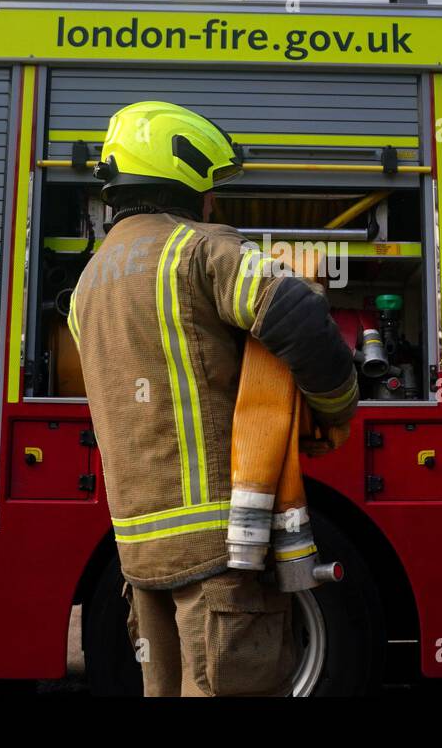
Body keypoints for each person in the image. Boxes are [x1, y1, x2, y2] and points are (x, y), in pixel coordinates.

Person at [68, 101, 358, 696]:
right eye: (209, 191)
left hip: (138, 552)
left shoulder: (86, 286)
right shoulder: (197, 250)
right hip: (219, 545)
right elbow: (297, 314)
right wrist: (334, 409)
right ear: (183, 182)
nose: (212, 205)